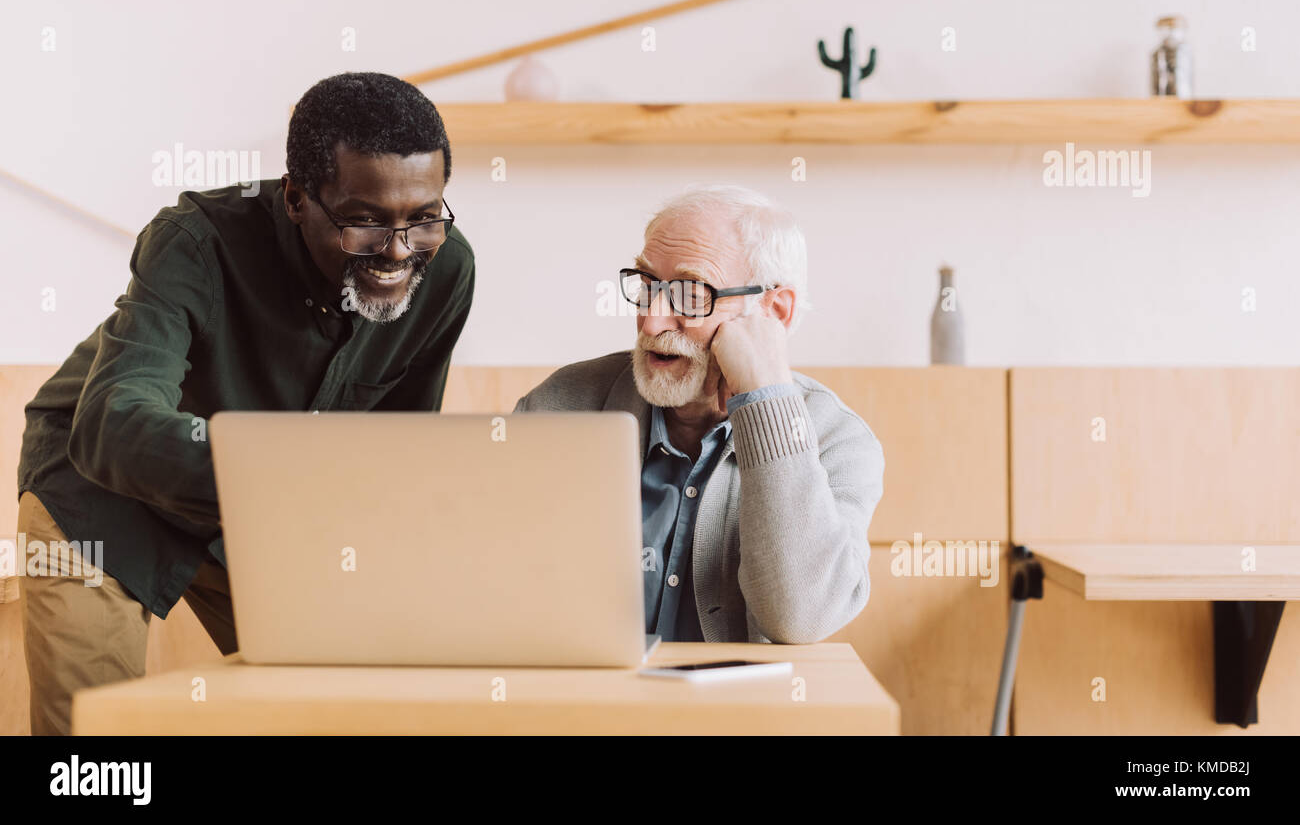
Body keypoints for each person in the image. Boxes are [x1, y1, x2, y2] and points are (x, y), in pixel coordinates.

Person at [16, 72, 474, 734]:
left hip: (263, 517)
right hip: (95, 495)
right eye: (364, 221)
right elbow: (110, 424)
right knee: (95, 746)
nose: (399, 251)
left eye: (423, 217)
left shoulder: (448, 271)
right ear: (296, 197)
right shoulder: (194, 242)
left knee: (353, 708)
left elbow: (397, 451)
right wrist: (286, 474)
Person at [515, 186, 883, 644]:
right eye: (647, 285)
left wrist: (764, 395)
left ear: (773, 311)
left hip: (741, 716)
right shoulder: (558, 409)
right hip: (585, 708)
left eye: (691, 294)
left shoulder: (837, 439)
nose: (652, 321)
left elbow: (800, 617)